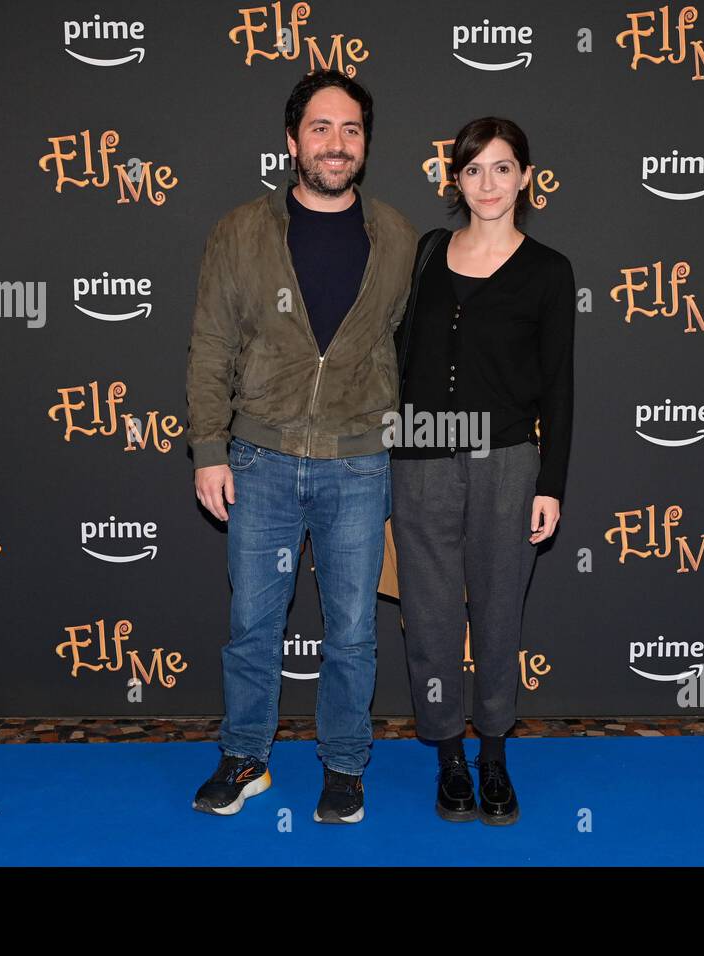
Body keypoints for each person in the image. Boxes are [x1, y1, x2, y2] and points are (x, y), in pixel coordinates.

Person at [185, 68, 418, 824]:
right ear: (292, 141)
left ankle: (345, 765)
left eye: (351, 130)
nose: (336, 142)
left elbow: (406, 347)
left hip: (358, 460)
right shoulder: (239, 232)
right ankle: (245, 755)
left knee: (352, 630)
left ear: (366, 145)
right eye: (321, 128)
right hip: (259, 458)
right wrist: (209, 448)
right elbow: (212, 344)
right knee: (253, 623)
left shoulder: (398, 237)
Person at [389, 117, 576, 825]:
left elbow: (559, 386)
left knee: (500, 615)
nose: (488, 183)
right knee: (431, 620)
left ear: (526, 177)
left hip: (507, 463)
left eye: (503, 168)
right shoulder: (425, 256)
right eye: (473, 170)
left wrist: (551, 483)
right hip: (421, 459)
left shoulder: (549, 271)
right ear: (455, 180)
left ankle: (493, 755)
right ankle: (448, 759)